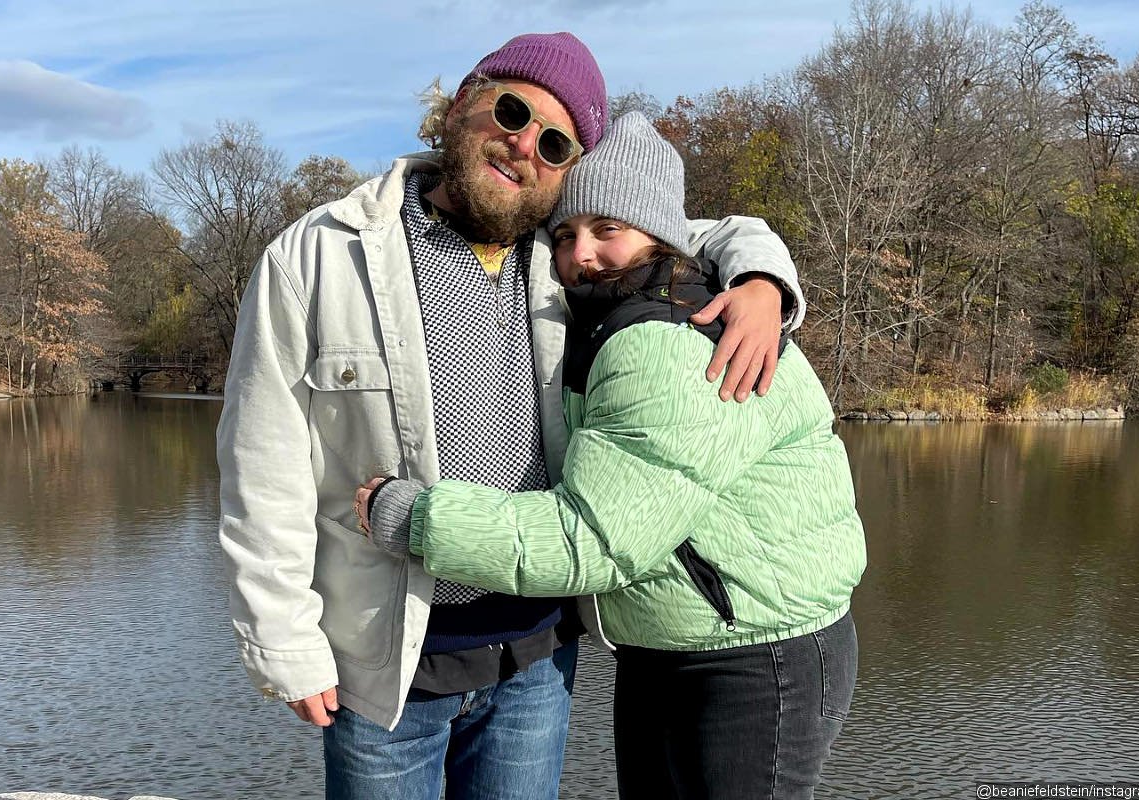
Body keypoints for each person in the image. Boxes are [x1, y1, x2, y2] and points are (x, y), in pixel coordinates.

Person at [217, 33, 807, 800]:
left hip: (535, 662)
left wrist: (764, 280)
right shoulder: (319, 255)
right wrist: (283, 642)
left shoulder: (568, 248)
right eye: (512, 110)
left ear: (566, 170)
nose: (524, 142)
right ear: (462, 103)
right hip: (383, 664)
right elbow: (263, 468)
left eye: (555, 142)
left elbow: (702, 231)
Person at [357, 112, 866, 800]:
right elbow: (716, 229)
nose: (581, 254)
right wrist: (765, 277)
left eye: (607, 231)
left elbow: (589, 540)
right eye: (564, 235)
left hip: (756, 654)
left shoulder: (665, 342)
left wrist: (414, 514)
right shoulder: (619, 311)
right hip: (674, 640)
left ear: (658, 237)